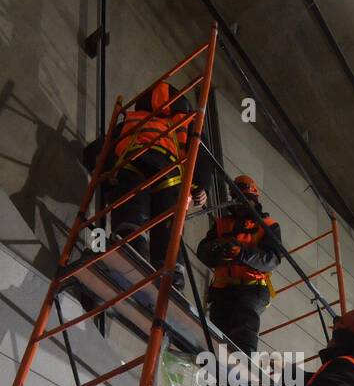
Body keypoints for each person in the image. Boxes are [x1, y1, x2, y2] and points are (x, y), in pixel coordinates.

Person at [93, 80, 212, 294]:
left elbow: (105, 151)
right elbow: (201, 158)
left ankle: (132, 248)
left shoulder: (133, 119)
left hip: (133, 165)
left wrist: (106, 177)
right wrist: (199, 188)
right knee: (167, 223)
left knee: (132, 208)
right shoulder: (186, 125)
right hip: (169, 174)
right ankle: (172, 275)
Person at [195, 175, 281, 353]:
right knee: (217, 333)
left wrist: (241, 253)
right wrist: (220, 253)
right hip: (222, 289)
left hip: (253, 287)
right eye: (237, 199)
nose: (240, 204)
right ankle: (216, 371)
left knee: (245, 319)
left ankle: (244, 363)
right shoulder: (221, 224)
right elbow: (203, 251)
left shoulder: (268, 225)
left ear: (254, 200)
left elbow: (271, 259)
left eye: (244, 199)